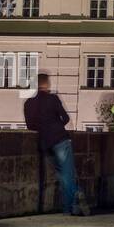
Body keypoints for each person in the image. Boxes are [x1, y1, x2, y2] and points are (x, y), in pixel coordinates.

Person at [23, 73, 78, 215]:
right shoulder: (53, 99)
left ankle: (73, 202)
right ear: (47, 85)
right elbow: (65, 118)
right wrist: (55, 126)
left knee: (61, 174)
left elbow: (30, 126)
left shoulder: (28, 103)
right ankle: (72, 204)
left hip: (45, 143)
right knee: (67, 174)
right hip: (60, 139)